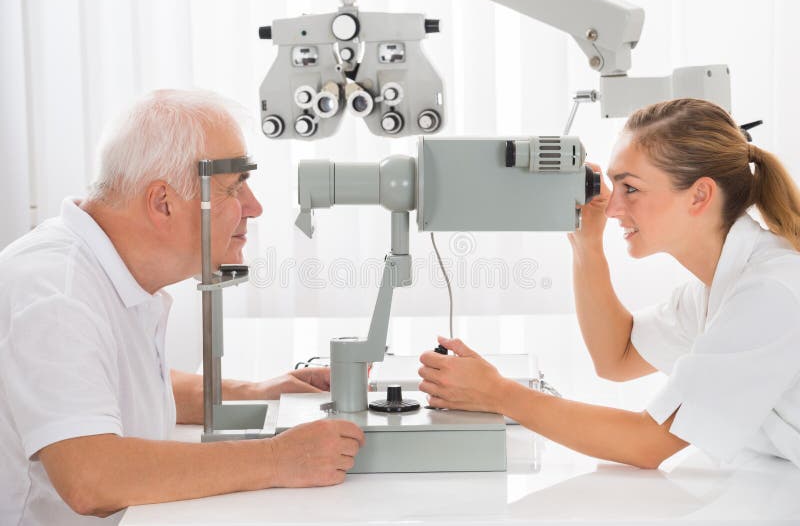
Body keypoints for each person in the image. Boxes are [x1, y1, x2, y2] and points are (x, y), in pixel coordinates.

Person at [0, 90, 364, 526]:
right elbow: (91, 478)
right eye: (233, 188)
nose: (255, 207)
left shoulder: (106, 268)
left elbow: (107, 385)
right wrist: (276, 459)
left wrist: (256, 392)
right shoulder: (56, 296)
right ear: (163, 203)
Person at [419, 98, 800, 469]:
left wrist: (498, 393)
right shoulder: (711, 293)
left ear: (699, 195)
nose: (614, 207)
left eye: (630, 188)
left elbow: (647, 444)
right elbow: (616, 358)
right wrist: (587, 244)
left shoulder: (770, 292)